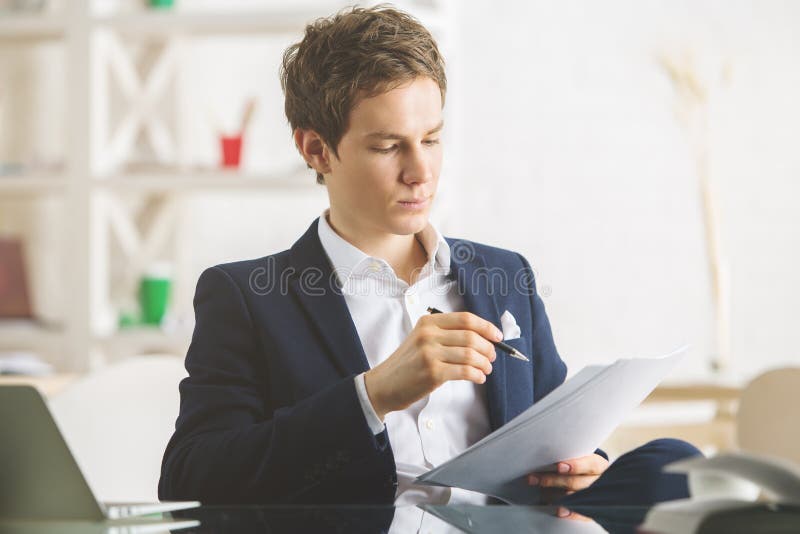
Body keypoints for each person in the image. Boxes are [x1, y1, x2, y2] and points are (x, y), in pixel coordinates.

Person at [159, 5, 700, 507]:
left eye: (432, 139)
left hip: (507, 524)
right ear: (316, 149)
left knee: (679, 465)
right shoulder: (246, 297)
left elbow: (555, 424)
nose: (421, 172)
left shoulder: (504, 274)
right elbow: (192, 472)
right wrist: (372, 395)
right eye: (388, 146)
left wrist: (584, 463)